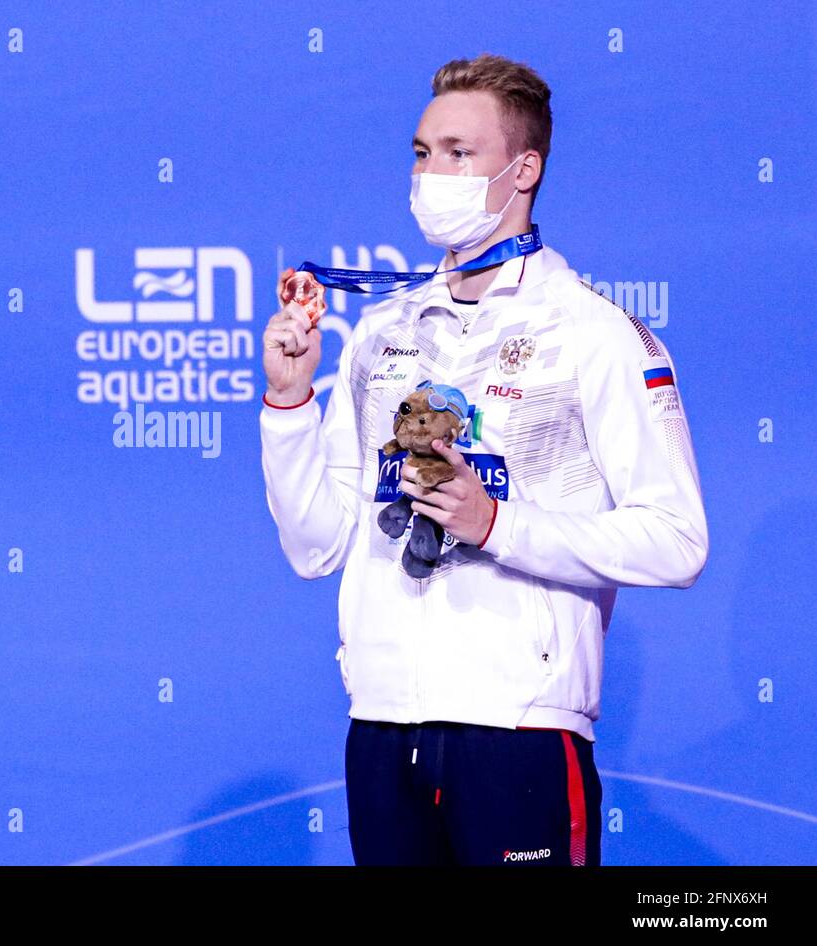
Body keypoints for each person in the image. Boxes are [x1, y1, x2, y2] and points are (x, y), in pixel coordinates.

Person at [259, 53, 709, 865]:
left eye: (460, 154)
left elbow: (678, 541)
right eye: (423, 153)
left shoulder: (594, 335)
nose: (433, 173)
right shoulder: (382, 335)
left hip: (520, 732)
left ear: (524, 169)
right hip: (383, 728)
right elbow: (315, 546)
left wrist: (498, 524)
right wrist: (290, 404)